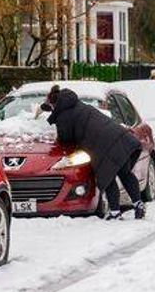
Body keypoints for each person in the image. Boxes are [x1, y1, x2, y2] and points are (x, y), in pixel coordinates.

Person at [41, 85, 146, 220]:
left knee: (108, 178)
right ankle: (138, 205)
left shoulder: (63, 115)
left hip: (103, 145)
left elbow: (65, 140)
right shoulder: (78, 104)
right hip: (119, 136)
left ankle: (115, 213)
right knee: (125, 173)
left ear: (54, 104)